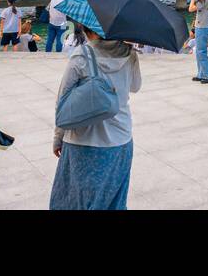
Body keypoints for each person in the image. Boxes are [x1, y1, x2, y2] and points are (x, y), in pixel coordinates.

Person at [49, 21, 141, 210]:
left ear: (86, 29)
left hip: (82, 141)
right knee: (113, 201)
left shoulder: (81, 55)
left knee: (74, 200)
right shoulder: (129, 54)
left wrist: (58, 137)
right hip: (120, 140)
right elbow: (135, 86)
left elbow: (62, 102)